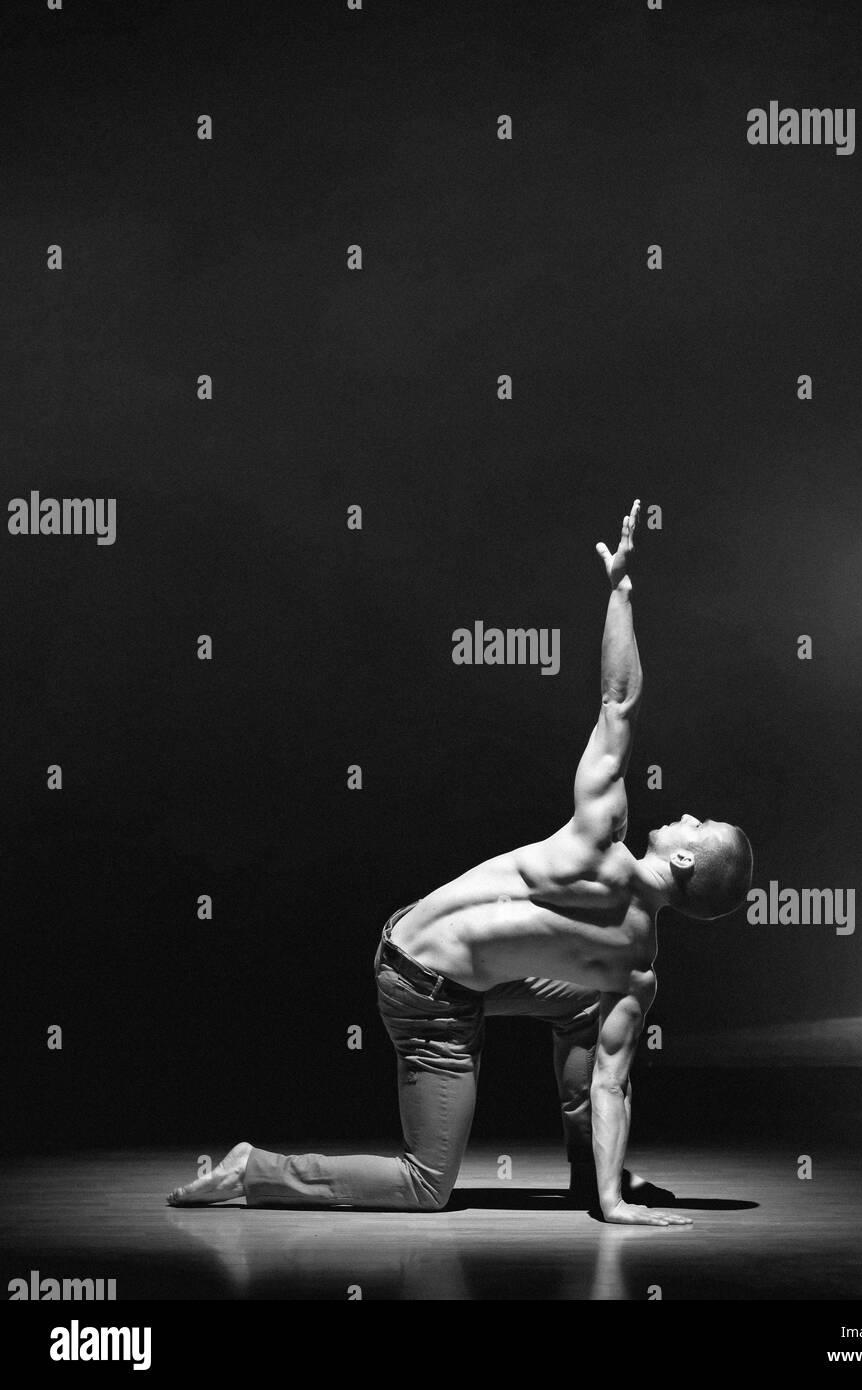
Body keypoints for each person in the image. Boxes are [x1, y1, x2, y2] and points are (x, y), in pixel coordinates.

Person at [168, 500, 753, 1226]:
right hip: (418, 984)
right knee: (432, 1184)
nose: (687, 813)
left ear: (688, 856)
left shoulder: (602, 844)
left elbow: (618, 702)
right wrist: (621, 595)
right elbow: (612, 1083)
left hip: (454, 980)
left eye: (699, 822)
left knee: (572, 1009)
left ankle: (590, 1180)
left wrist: (620, 589)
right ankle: (256, 1170)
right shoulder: (636, 967)